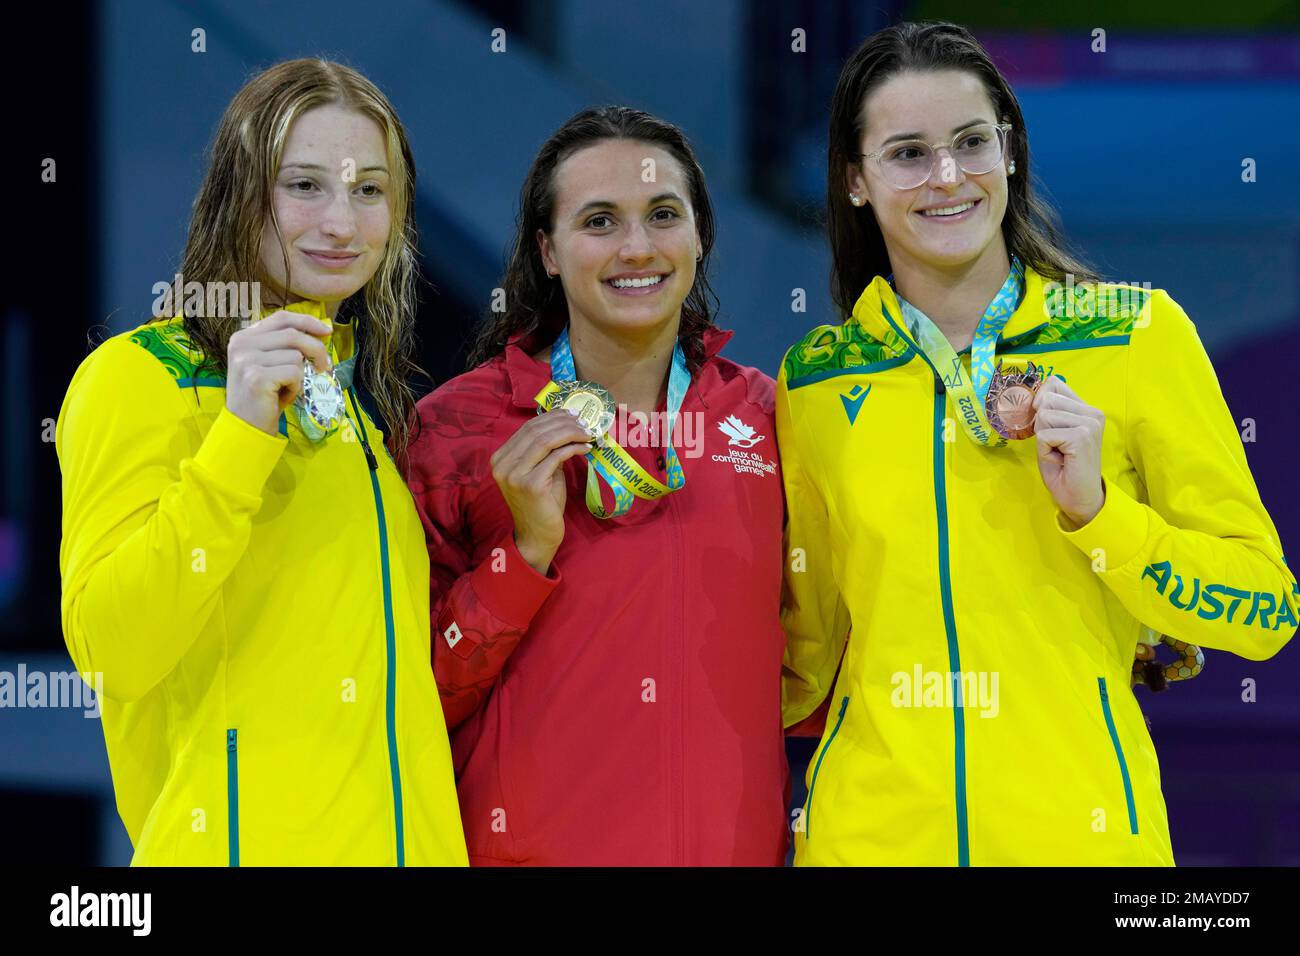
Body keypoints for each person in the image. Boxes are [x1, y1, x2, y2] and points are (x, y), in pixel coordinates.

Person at [778, 21, 1298, 866]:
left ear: (1010, 153)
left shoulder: (1135, 334)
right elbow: (804, 655)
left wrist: (1100, 517)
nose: (948, 177)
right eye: (907, 153)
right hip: (866, 840)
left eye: (972, 142)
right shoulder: (818, 381)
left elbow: (1266, 612)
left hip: (1081, 841)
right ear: (855, 182)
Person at [56, 59, 467, 866]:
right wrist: (240, 434)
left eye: (369, 191)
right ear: (238, 194)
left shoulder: (357, 410)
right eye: (304, 186)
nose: (341, 224)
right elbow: (114, 648)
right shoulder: (143, 376)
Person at [407, 106, 788, 865]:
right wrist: (523, 557)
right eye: (600, 222)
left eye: (663, 215)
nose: (637, 247)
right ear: (548, 251)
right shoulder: (453, 431)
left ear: (699, 235)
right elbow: (409, 703)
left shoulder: (772, 421)